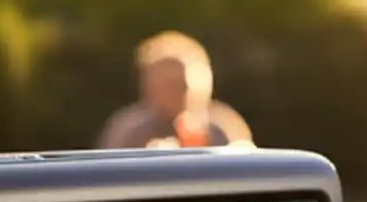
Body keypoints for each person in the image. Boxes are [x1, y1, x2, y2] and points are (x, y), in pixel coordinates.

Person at [98, 31, 253, 149]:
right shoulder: (128, 131)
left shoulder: (223, 127)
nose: (182, 94)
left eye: (186, 85)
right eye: (172, 85)